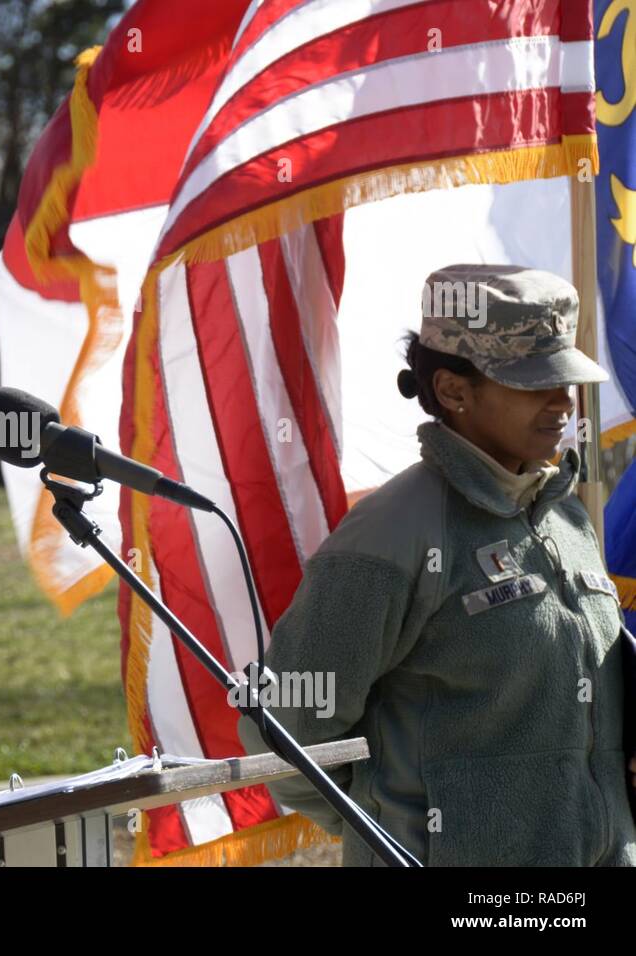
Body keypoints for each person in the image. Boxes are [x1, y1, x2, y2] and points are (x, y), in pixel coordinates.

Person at [236, 263, 636, 866]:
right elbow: (284, 727)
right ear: (453, 391)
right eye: (534, 383)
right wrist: (390, 830)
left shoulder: (567, 517)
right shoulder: (389, 536)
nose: (562, 402)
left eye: (567, 381)